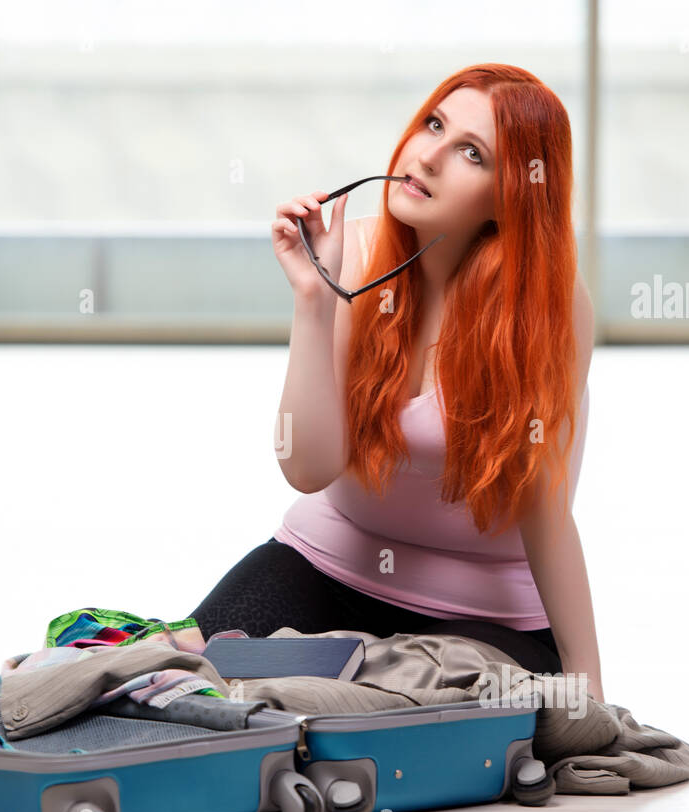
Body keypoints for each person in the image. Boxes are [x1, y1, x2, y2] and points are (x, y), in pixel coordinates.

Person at [188, 63, 605, 702]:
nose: (430, 155)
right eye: (433, 125)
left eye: (471, 152)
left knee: (421, 714)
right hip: (328, 565)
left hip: (484, 613)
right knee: (180, 680)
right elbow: (307, 469)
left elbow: (546, 511)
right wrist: (314, 300)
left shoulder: (550, 306)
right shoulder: (348, 256)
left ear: (512, 194)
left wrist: (590, 689)